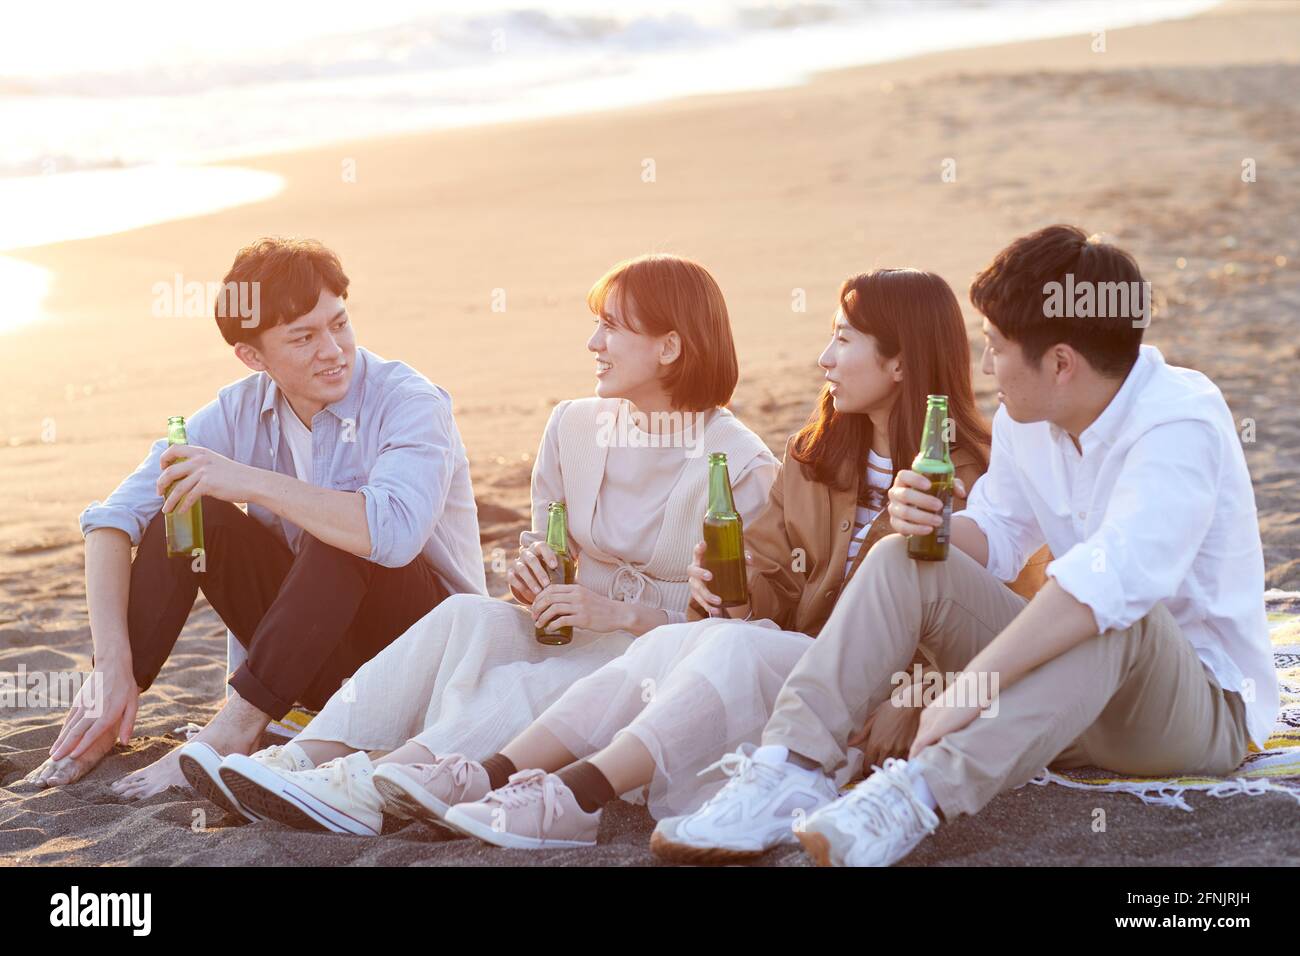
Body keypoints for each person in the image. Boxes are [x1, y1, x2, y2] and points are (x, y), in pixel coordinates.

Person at [649, 225, 1280, 866]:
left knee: (1112, 612)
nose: (982, 367)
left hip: (1192, 711)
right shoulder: (1025, 423)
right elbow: (998, 536)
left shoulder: (1179, 420)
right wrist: (929, 526)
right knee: (906, 557)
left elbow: (1112, 581)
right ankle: (791, 765)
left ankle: (916, 794)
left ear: (1061, 363)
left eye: (995, 347)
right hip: (1062, 704)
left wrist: (968, 688)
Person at [385, 269, 1046, 849]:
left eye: (843, 340)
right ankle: (493, 773)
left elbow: (972, 625)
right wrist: (732, 596)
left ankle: (577, 797)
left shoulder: (971, 478)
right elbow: (766, 578)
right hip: (793, 660)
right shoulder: (816, 457)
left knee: (728, 648)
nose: (824, 358)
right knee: (688, 641)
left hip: (853, 692)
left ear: (900, 364)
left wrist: (901, 712)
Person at [186, 253, 781, 835]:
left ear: (669, 347)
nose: (593, 344)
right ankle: (303, 758)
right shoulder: (573, 426)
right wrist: (536, 576)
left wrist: (621, 613)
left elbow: (733, 632)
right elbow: (545, 550)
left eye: (611, 327)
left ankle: (373, 783)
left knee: (521, 683)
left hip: (650, 657)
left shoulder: (741, 466)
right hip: (570, 632)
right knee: (467, 613)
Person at [26, 237, 486, 800]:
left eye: (339, 324)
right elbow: (111, 519)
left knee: (342, 525)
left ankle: (231, 733)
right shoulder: (240, 409)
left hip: (425, 661)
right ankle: (106, 719)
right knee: (190, 509)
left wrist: (248, 480)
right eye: (304, 338)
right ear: (253, 356)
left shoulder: (410, 401)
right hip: (313, 662)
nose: (334, 350)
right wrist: (112, 664)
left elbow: (390, 535)